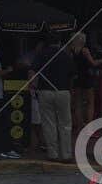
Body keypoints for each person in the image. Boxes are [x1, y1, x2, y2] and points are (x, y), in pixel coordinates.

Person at [31, 33, 76, 163]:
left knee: (49, 123)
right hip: (63, 91)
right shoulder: (66, 56)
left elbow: (33, 71)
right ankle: (66, 154)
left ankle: (53, 154)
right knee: (65, 124)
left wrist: (34, 87)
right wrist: (71, 91)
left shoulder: (41, 54)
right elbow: (72, 75)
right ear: (60, 43)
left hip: (45, 91)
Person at [69, 31, 102, 133]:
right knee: (90, 103)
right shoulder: (85, 50)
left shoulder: (71, 50)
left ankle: (79, 127)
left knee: (78, 103)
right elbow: (93, 63)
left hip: (77, 78)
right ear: (82, 40)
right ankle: (89, 128)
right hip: (87, 77)